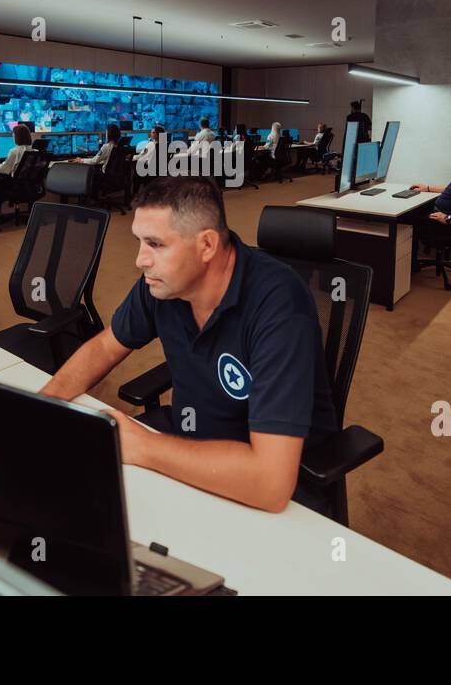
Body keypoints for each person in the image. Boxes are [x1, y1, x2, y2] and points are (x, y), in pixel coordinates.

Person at [38, 177, 338, 514]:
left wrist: (144, 447)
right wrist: (43, 404)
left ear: (206, 245)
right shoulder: (163, 284)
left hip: (268, 481)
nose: (140, 260)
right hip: (189, 440)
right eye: (139, 241)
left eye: (155, 244)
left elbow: (270, 483)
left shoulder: (280, 305)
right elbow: (106, 346)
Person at [0, 124, 34, 217]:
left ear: (17, 136)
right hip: (29, 187)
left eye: (13, 134)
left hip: (16, 187)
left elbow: (5, 169)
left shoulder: (14, 151)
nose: (12, 136)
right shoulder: (34, 151)